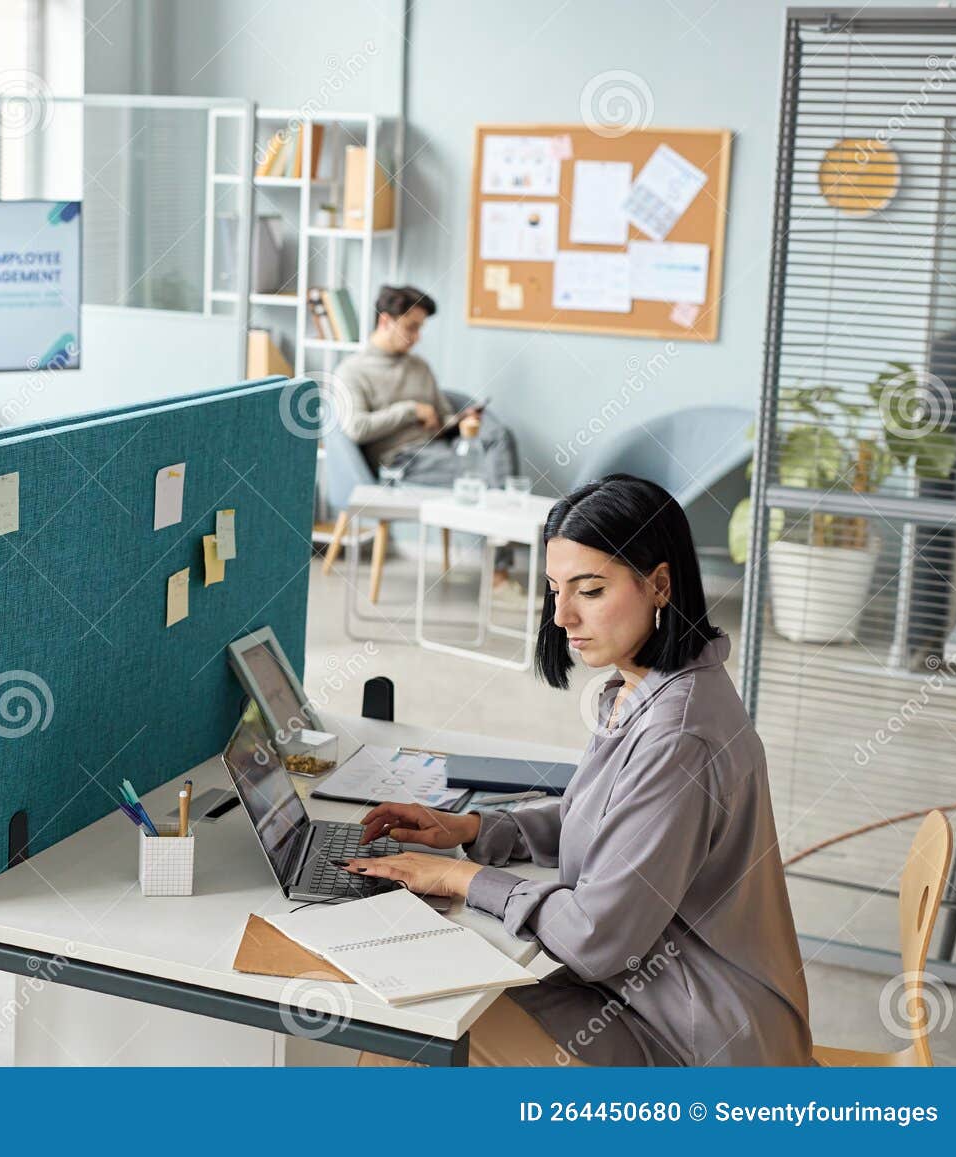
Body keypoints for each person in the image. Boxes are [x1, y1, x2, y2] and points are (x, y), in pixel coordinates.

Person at [343, 474, 812, 1066]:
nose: (562, 615)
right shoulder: (645, 686)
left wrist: (460, 878)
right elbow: (605, 821)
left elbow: (594, 938)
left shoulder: (679, 735)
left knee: (409, 1040)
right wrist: (474, 830)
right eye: (554, 589)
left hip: (699, 1041)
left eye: (589, 590)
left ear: (659, 584)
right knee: (419, 1019)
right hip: (640, 999)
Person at [333, 284, 521, 587]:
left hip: (440, 447)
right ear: (385, 321)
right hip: (403, 460)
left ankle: (500, 559)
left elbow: (442, 417)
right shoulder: (352, 371)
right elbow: (356, 428)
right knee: (482, 476)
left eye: (420, 328)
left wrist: (460, 421)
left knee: (500, 436)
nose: (417, 336)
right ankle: (500, 572)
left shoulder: (419, 366)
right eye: (411, 327)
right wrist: (410, 410)